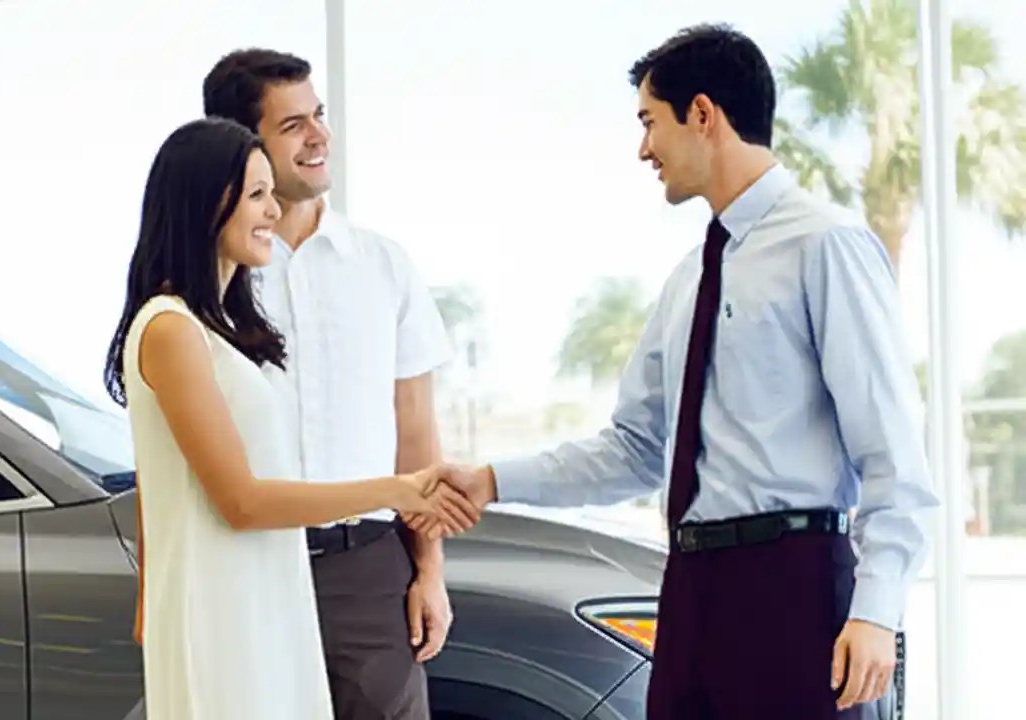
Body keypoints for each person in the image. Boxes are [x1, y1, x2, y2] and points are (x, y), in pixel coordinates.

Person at [420, 24, 939, 720]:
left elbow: (893, 455)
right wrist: (489, 481)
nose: (643, 149)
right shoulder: (689, 278)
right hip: (693, 589)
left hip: (796, 586)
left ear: (703, 114)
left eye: (649, 122)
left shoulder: (827, 246)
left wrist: (877, 611)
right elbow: (634, 448)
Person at [102, 117, 473, 720]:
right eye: (256, 195)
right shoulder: (171, 329)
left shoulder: (217, 329)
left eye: (270, 193)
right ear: (206, 203)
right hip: (229, 608)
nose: (273, 211)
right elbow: (240, 501)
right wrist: (400, 489)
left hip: (263, 598)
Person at [202, 48, 462, 719]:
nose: (320, 136)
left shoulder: (383, 265)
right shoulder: (205, 283)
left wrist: (428, 570)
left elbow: (415, 431)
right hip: (247, 566)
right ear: (242, 148)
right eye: (293, 126)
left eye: (318, 116)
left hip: (368, 569)